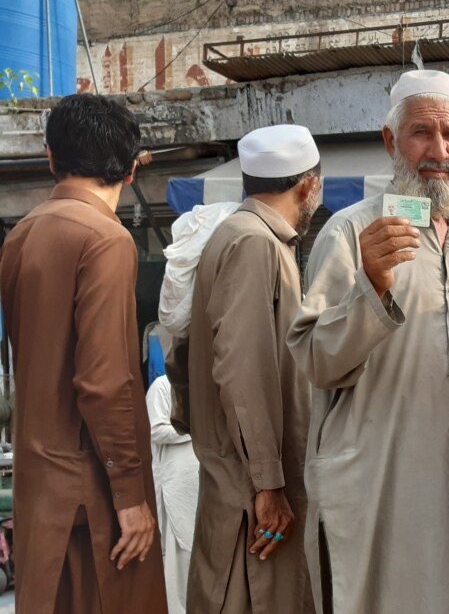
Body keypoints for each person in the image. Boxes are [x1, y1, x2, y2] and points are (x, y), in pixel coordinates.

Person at [288, 70, 449, 613]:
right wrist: (373, 285)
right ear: (390, 141)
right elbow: (314, 358)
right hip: (383, 500)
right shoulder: (351, 232)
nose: (438, 151)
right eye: (421, 133)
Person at [0, 93, 168, 614]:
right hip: (91, 494)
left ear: (51, 158)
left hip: (39, 486)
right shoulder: (105, 240)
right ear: (131, 167)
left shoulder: (20, 235)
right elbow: (103, 380)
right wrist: (130, 495)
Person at [184, 124, 322, 614]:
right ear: (309, 186)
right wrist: (268, 484)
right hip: (252, 500)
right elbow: (241, 369)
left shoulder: (245, 236)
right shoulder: (254, 243)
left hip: (243, 485)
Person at [146, 372, 200, 614]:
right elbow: (155, 430)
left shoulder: (204, 386)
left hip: (199, 488)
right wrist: (195, 431)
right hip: (175, 488)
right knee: (177, 562)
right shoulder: (162, 386)